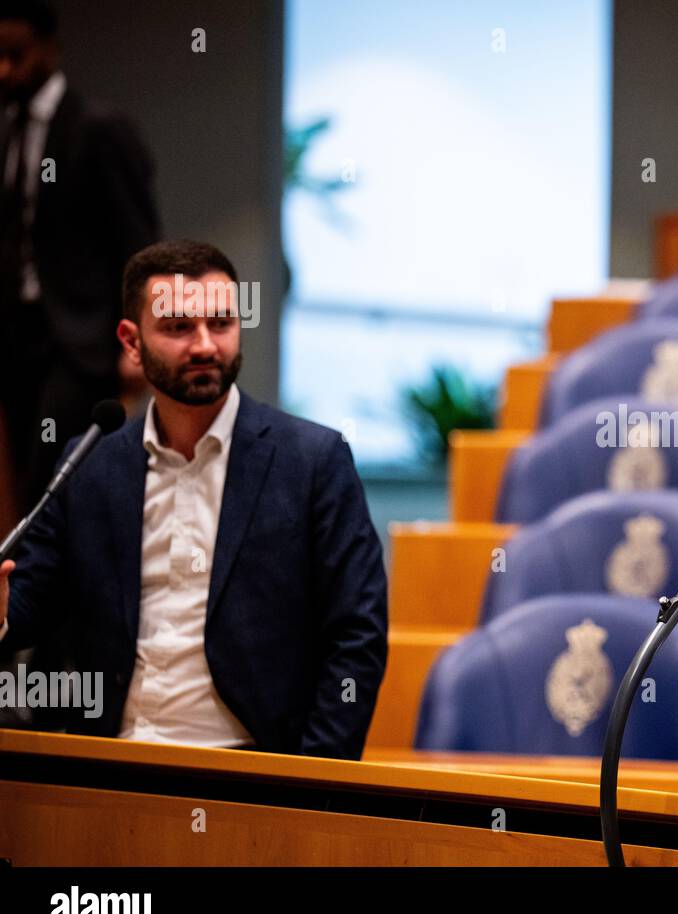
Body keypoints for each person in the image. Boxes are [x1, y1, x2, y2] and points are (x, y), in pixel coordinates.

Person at [0, 239, 387, 760]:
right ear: (132, 343)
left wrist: (311, 783)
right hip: (112, 761)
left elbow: (357, 634)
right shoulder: (90, 462)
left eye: (221, 323)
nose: (205, 344)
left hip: (255, 766)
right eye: (179, 328)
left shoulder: (312, 461)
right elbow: (30, 604)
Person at [0, 0, 160, 511]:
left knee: (53, 478)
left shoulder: (99, 127)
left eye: (16, 54)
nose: (4, 69)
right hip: (15, 334)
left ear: (49, 48)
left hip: (80, 339)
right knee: (25, 468)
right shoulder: (6, 130)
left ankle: (30, 587)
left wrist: (137, 341)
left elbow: (140, 244)